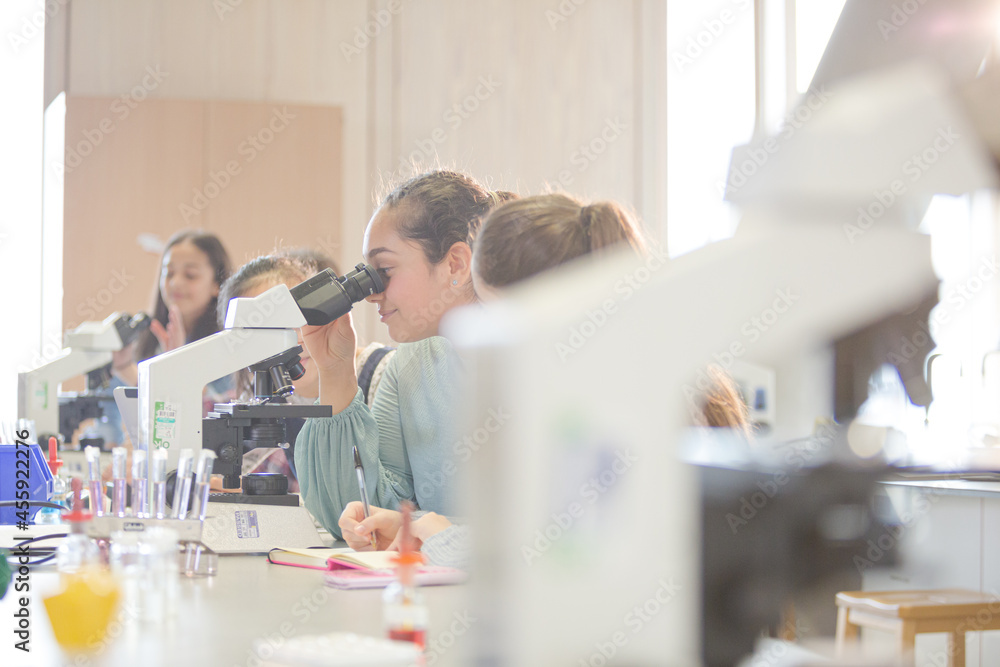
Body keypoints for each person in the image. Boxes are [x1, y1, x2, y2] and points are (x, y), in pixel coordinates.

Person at [340, 193, 751, 568]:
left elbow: (589, 561)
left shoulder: (625, 409)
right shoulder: (582, 393)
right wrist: (420, 528)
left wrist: (448, 541)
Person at [295, 170, 514, 542]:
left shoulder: (539, 358)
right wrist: (335, 372)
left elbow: (564, 532)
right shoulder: (411, 363)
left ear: (455, 264)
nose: (371, 293)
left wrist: (444, 536)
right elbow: (357, 518)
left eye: (384, 271)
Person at [215, 253, 396, 491]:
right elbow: (229, 468)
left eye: (297, 319)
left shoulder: (385, 375)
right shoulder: (282, 397)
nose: (294, 339)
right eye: (267, 329)